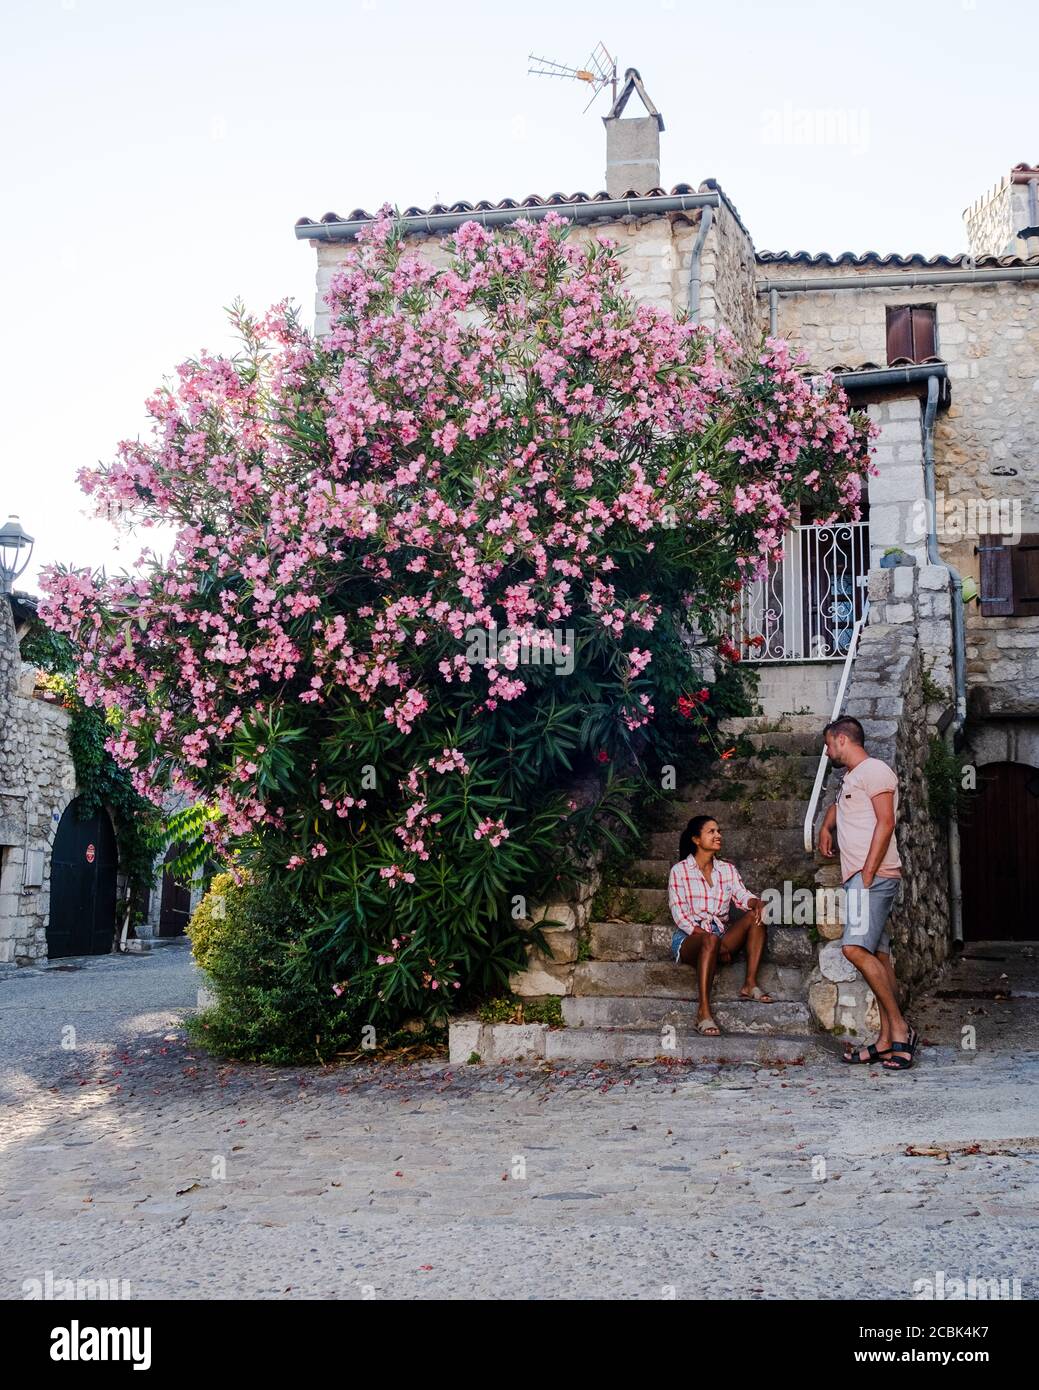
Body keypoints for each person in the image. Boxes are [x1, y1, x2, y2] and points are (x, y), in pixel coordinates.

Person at [819, 716, 918, 1071]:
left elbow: (886, 821)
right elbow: (844, 807)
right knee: (879, 954)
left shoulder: (875, 770)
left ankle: (901, 1031)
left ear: (842, 739)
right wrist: (827, 825)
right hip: (862, 877)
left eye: (829, 744)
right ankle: (886, 1040)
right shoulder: (853, 778)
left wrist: (868, 873)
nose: (828, 752)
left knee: (853, 948)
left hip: (871, 876)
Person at [668, 815, 770, 1036]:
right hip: (689, 938)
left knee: (757, 915)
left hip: (720, 936)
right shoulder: (680, 871)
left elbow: (742, 895)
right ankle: (703, 1013)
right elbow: (680, 916)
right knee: (710, 939)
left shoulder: (727, 870)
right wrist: (710, 940)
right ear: (696, 839)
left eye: (719, 831)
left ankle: (749, 983)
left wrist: (756, 902)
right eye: (711, 832)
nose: (718, 836)